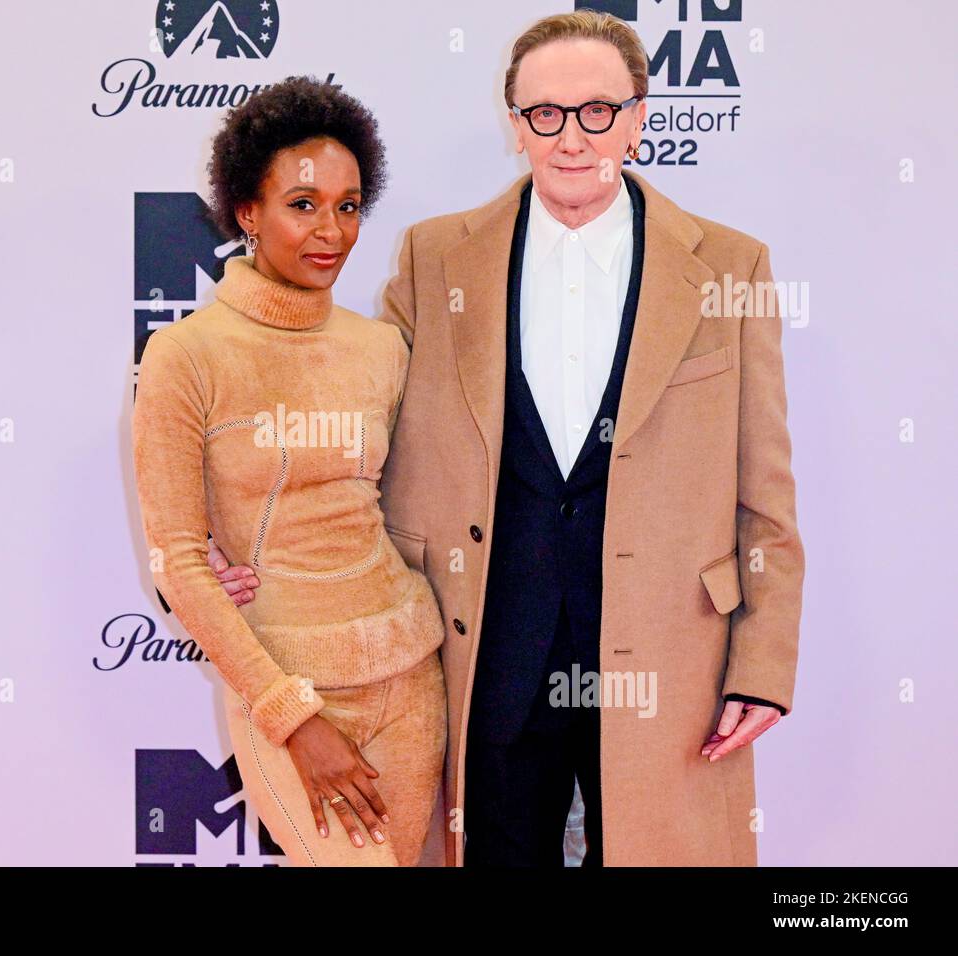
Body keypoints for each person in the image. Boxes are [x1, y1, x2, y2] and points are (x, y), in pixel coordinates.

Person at [209, 10, 804, 866]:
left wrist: (764, 664)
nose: (571, 137)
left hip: (674, 651)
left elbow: (767, 495)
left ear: (639, 117)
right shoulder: (435, 256)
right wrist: (241, 542)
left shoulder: (730, 267)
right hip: (481, 643)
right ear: (514, 122)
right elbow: (357, 444)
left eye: (597, 110)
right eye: (545, 114)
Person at [131, 76, 448, 866]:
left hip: (410, 671)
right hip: (287, 682)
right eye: (302, 204)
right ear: (247, 212)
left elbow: (408, 507)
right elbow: (177, 554)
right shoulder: (185, 355)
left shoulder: (381, 348)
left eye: (347, 206)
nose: (331, 231)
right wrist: (294, 718)